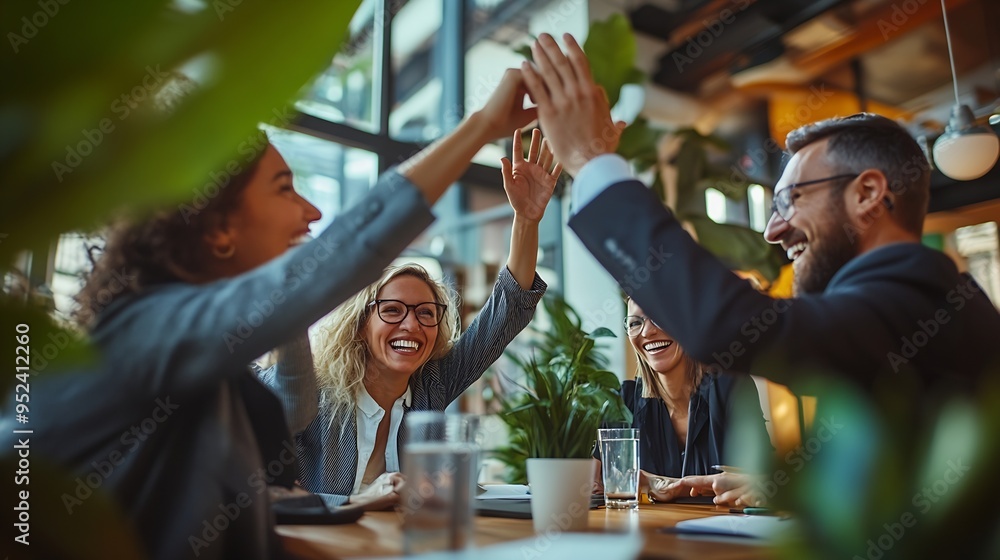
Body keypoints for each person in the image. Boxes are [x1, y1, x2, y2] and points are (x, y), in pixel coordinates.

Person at [2, 68, 538, 560]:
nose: (312, 211)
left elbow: (255, 511)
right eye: (284, 189)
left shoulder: (202, 365)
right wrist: (482, 126)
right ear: (217, 227)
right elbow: (335, 264)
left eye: (427, 314)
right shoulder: (149, 330)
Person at [518, 33, 1000, 519]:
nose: (773, 231)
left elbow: (727, 324)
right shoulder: (913, 300)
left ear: (867, 194)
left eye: (791, 201)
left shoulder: (912, 295)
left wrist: (591, 163)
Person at [261, 129, 559, 503]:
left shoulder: (431, 384)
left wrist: (528, 220)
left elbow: (510, 307)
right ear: (360, 325)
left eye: (426, 313)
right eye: (392, 310)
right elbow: (270, 493)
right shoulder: (313, 390)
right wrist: (359, 501)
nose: (411, 325)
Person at [593, 298, 771, 503]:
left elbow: (764, 483)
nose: (647, 332)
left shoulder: (732, 388)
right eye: (635, 323)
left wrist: (658, 483)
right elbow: (592, 487)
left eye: (660, 317)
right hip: (647, 533)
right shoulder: (622, 402)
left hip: (722, 533)